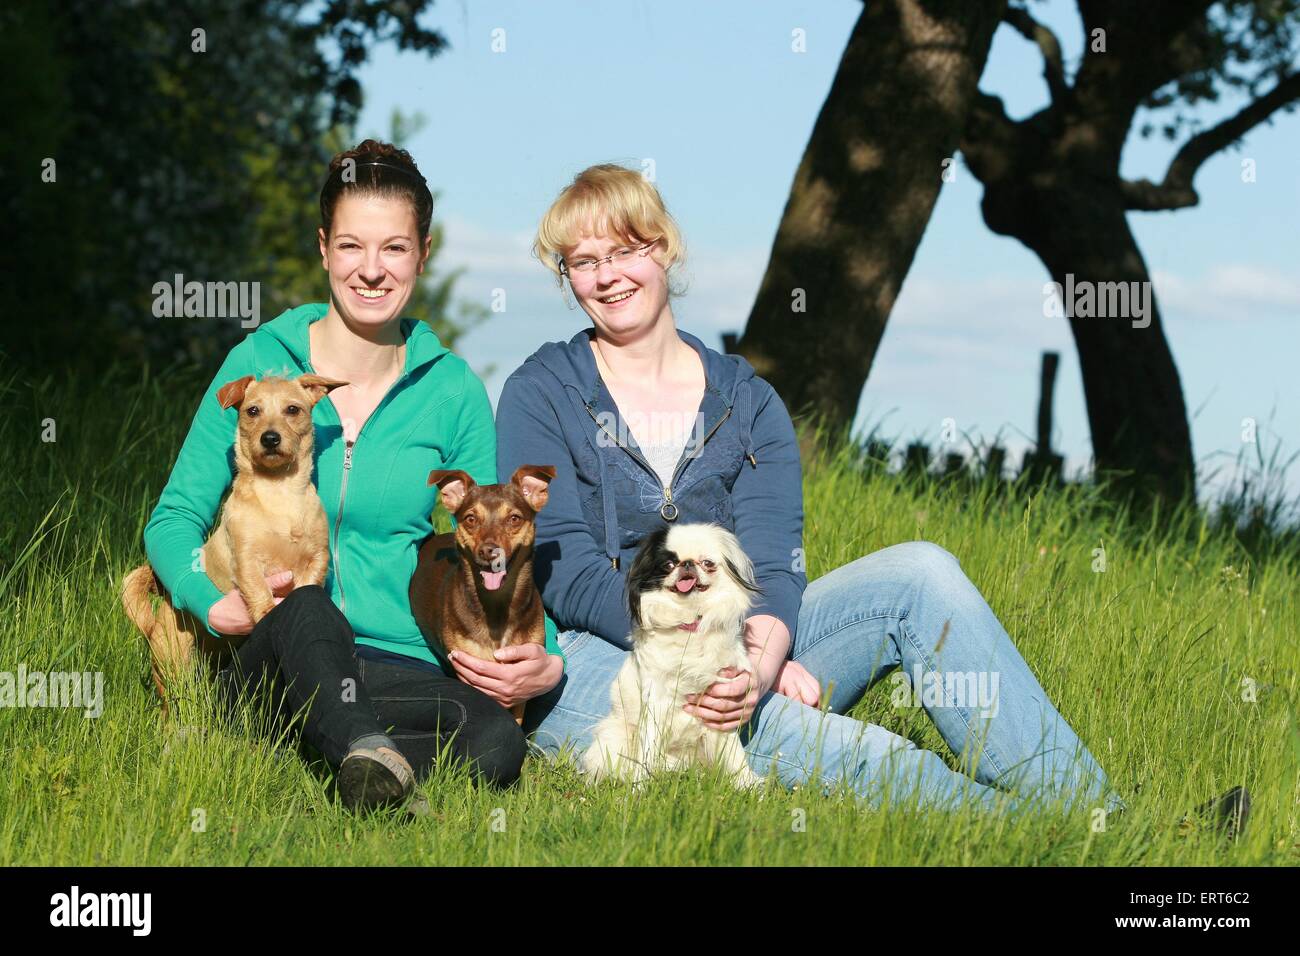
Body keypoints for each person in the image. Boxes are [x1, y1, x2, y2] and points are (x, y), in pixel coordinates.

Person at [495, 163, 1128, 817]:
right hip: (600, 661)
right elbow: (567, 572)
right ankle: (1047, 835)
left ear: (664, 248)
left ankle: (1097, 812)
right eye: (584, 262)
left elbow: (773, 565)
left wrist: (756, 664)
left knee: (922, 571)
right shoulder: (540, 392)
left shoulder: (748, 401)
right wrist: (713, 652)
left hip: (736, 639)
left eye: (625, 250)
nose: (607, 276)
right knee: (851, 747)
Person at [142, 140, 564, 811]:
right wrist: (209, 604)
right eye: (351, 246)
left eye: (394, 248)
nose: (371, 269)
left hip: (394, 660)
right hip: (275, 649)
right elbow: (173, 520)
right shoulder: (259, 364)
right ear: (323, 249)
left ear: (423, 254)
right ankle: (362, 749)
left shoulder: (452, 388)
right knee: (309, 605)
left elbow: (495, 535)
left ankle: (333, 756)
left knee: (496, 741)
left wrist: (547, 654)